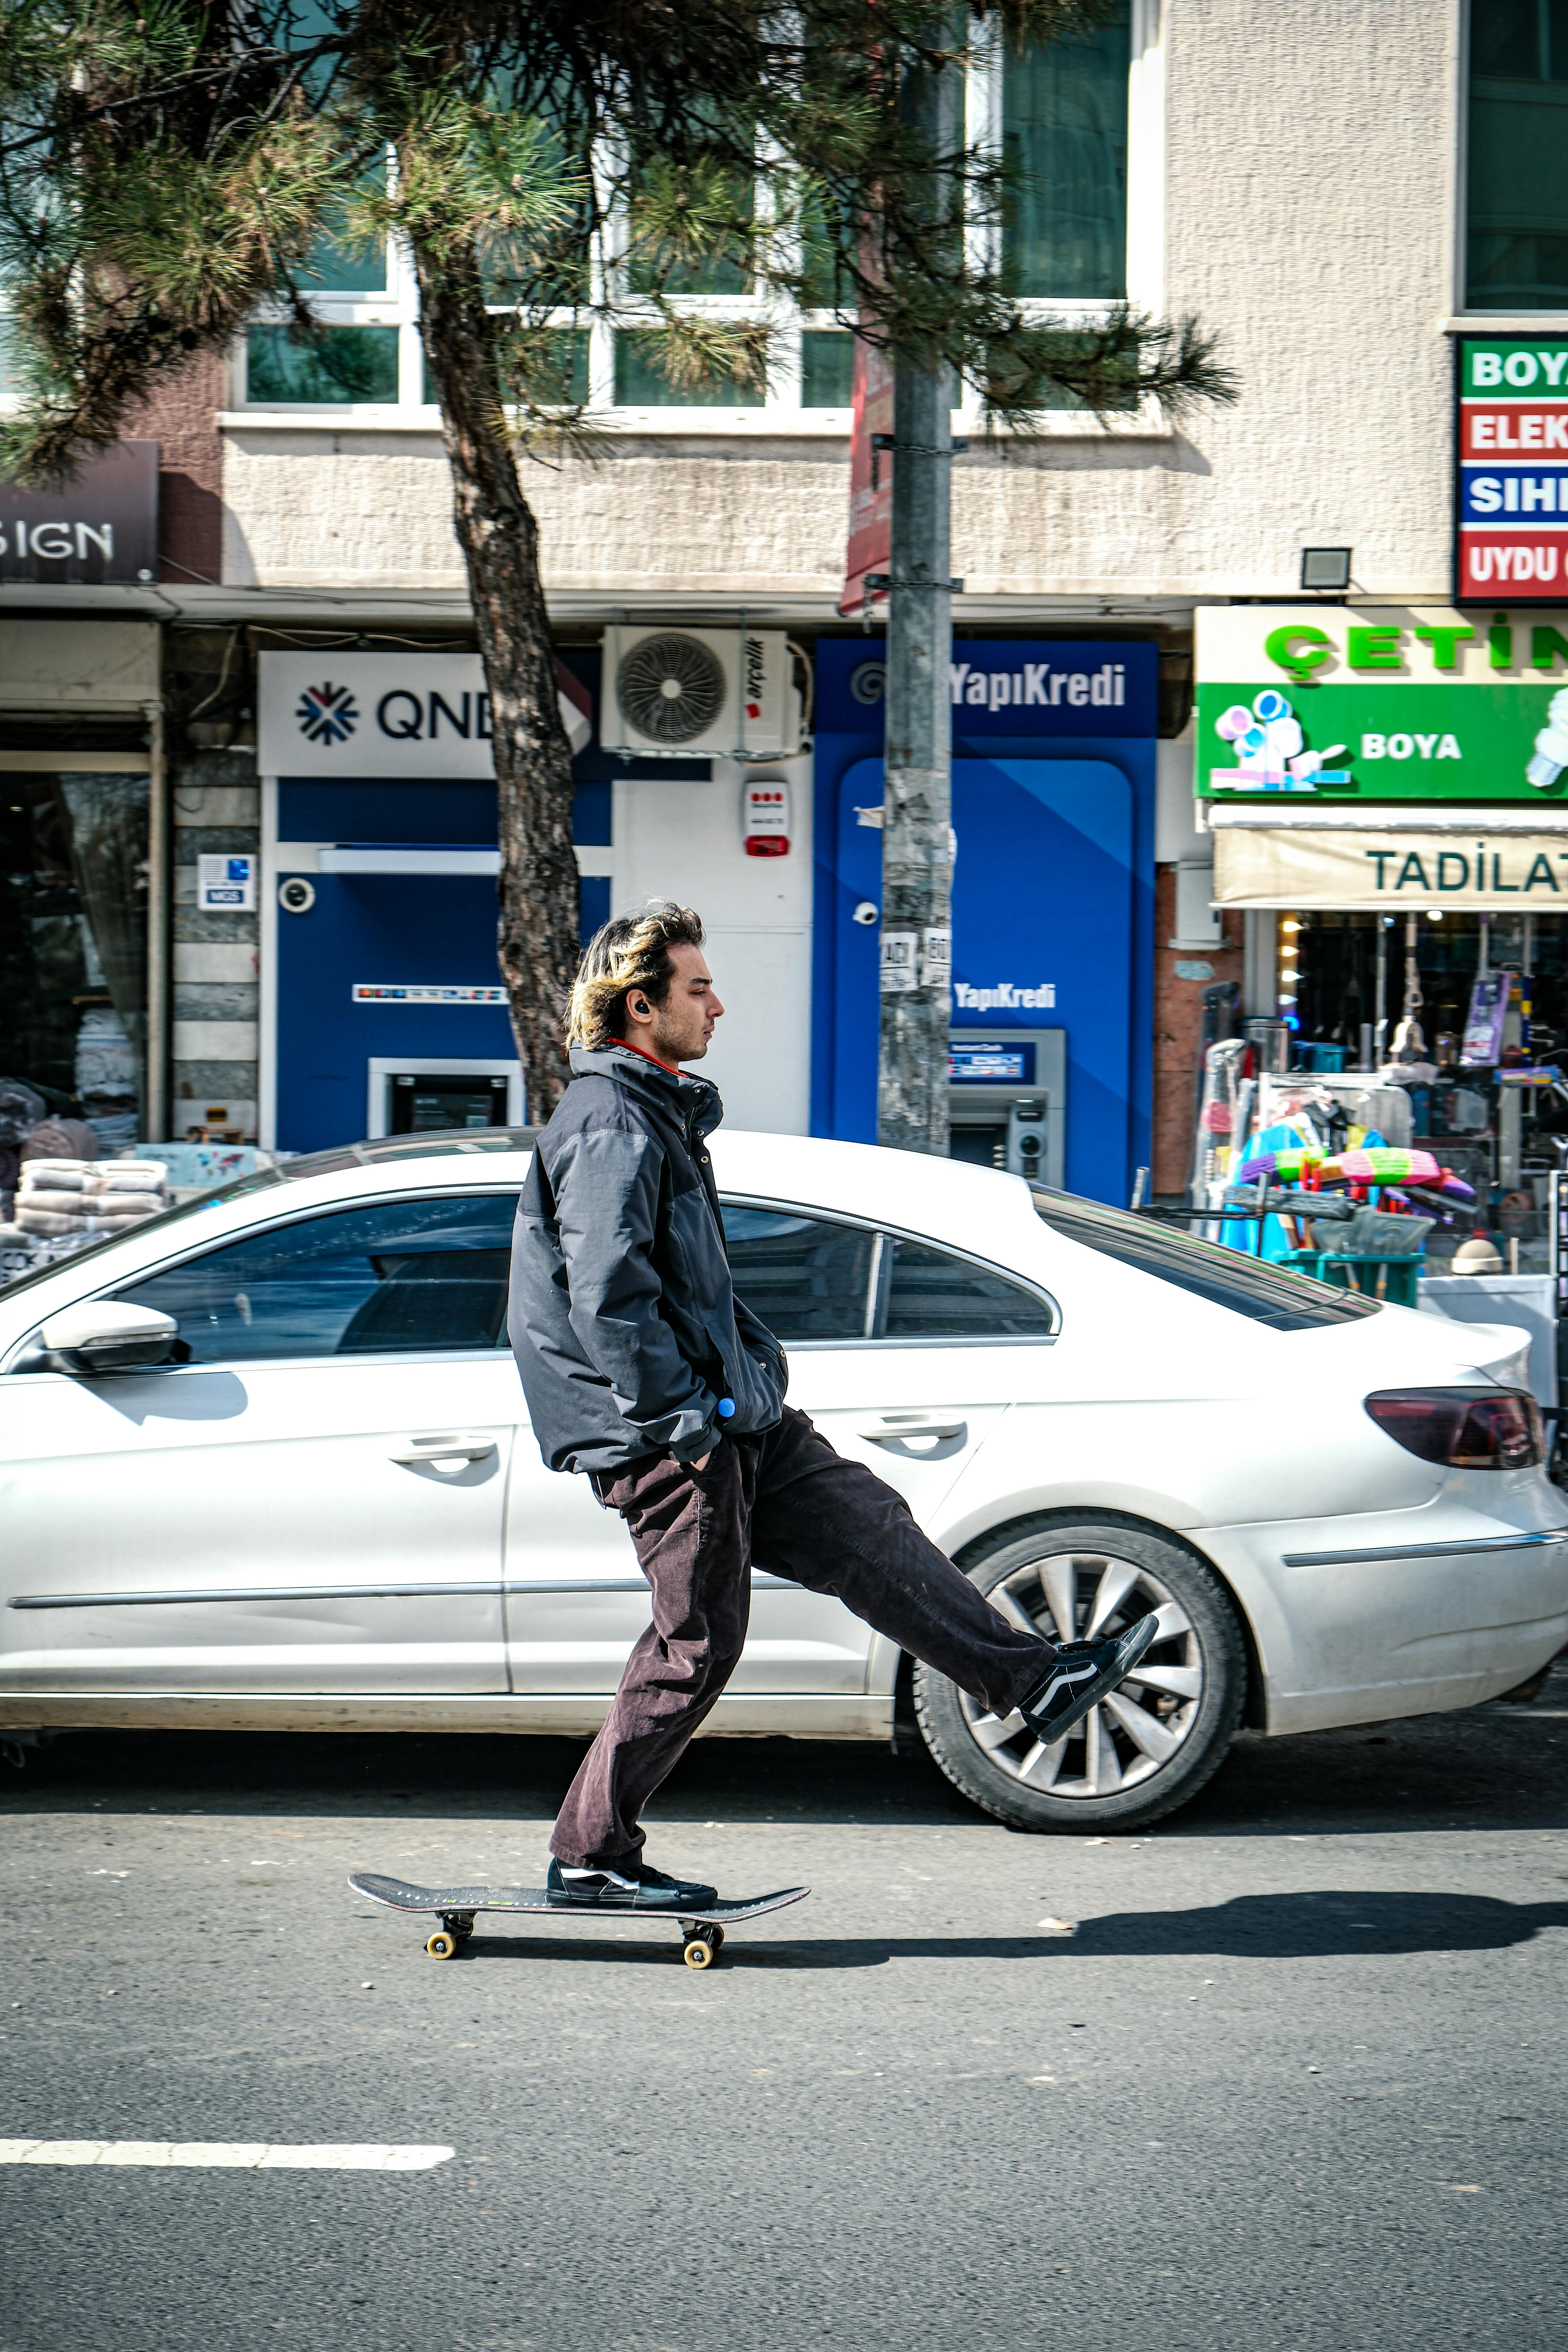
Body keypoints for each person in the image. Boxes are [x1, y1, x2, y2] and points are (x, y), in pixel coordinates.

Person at [509, 902, 1155, 1909]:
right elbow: (609, 1298)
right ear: (641, 1006)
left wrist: (748, 1373)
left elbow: (684, 1285)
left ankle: (1032, 1682)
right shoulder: (608, 1123)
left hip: (736, 1416)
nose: (718, 1006)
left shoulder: (658, 1113)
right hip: (673, 1434)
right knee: (696, 1644)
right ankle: (590, 1854)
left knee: (869, 1530)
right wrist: (683, 1420)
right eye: (697, 988)